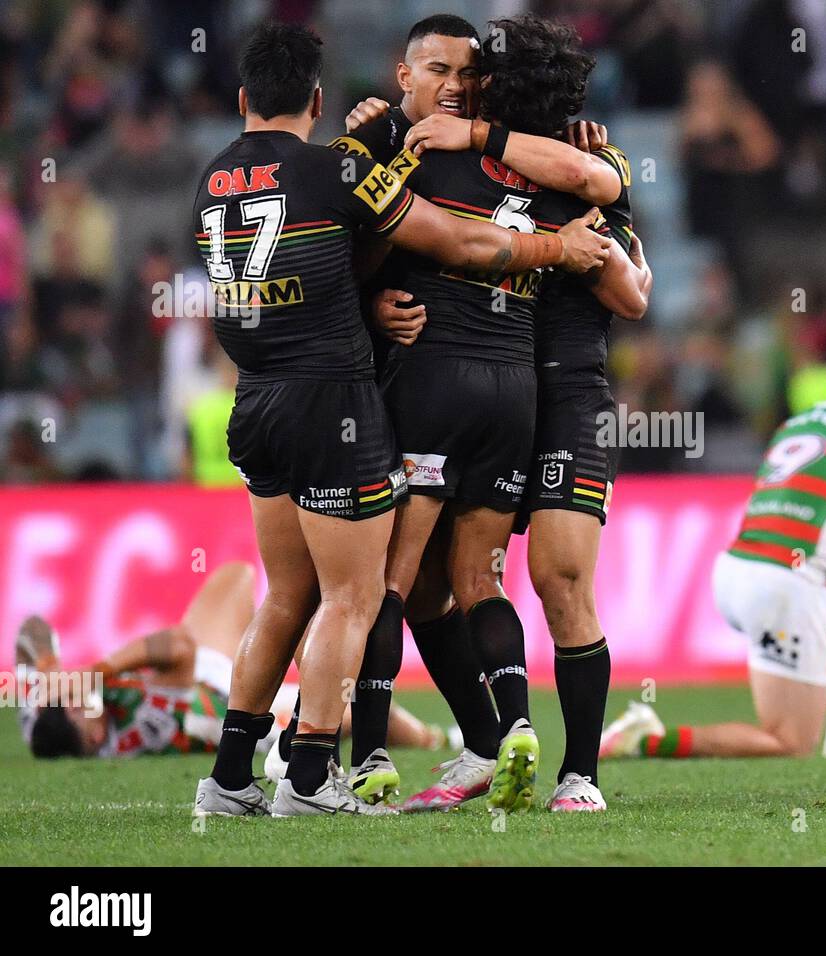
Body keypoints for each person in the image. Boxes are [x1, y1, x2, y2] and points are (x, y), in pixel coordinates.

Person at [190, 21, 609, 819]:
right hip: (331, 402)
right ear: (317, 99)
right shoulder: (340, 166)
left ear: (244, 99)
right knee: (359, 594)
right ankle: (313, 776)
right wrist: (554, 251)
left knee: (287, 597)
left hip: (255, 401)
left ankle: (230, 777)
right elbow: (451, 237)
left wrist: (365, 302)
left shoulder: (212, 177)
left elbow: (284, 276)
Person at [341, 12, 638, 814]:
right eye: (451, 72)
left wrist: (425, 143)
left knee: (412, 583)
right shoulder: (548, 163)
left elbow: (631, 288)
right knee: (459, 582)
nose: (463, 85)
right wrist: (376, 304)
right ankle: (498, 737)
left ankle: (368, 758)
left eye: (474, 74)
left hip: (538, 392)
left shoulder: (565, 155)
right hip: (514, 391)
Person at [600, 332, 826, 759]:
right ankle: (645, 738)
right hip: (783, 590)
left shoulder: (796, 426)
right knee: (790, 741)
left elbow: (808, 527)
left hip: (736, 572)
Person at [15, 562, 446, 760]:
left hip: (201, 682)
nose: (83, 703)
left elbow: (29, 631)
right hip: (228, 708)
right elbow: (179, 644)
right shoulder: (112, 733)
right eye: (81, 715)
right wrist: (95, 671)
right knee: (343, 710)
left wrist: (50, 665)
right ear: (87, 742)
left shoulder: (41, 714)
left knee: (237, 576)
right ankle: (438, 740)